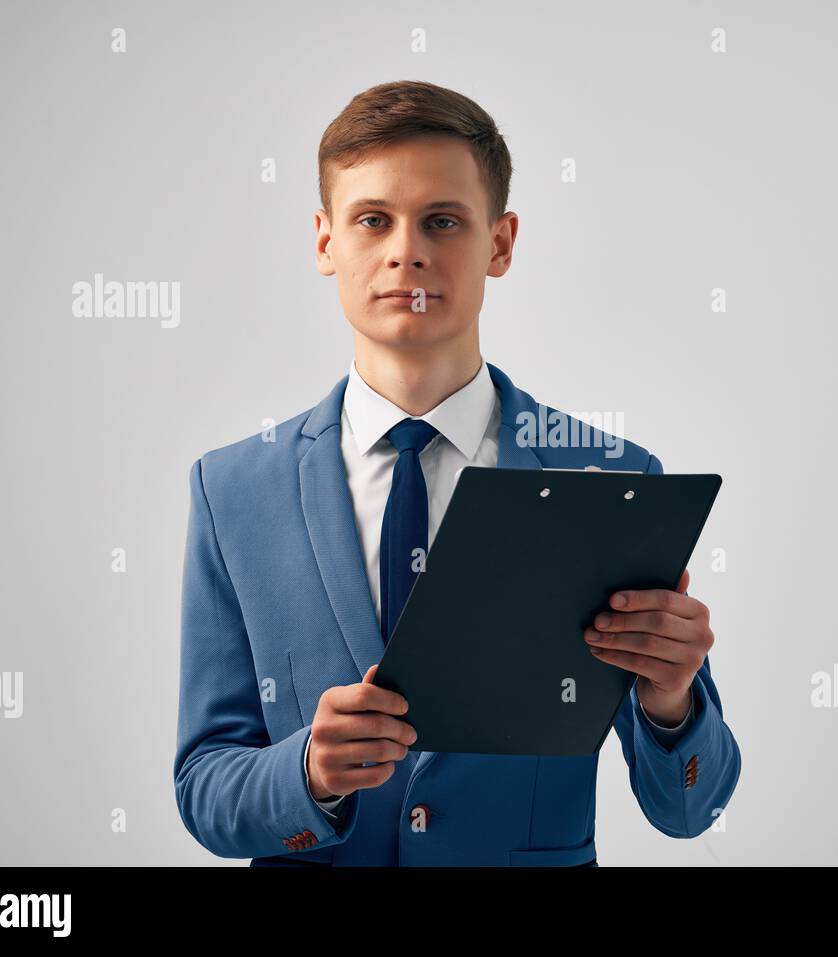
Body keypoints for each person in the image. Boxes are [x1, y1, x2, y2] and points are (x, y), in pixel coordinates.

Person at [173, 80, 741, 866]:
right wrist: (307, 773)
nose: (407, 249)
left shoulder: (606, 475)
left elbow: (689, 809)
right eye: (373, 219)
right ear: (325, 241)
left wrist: (672, 699)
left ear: (501, 243)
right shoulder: (233, 489)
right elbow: (204, 785)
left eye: (442, 220)